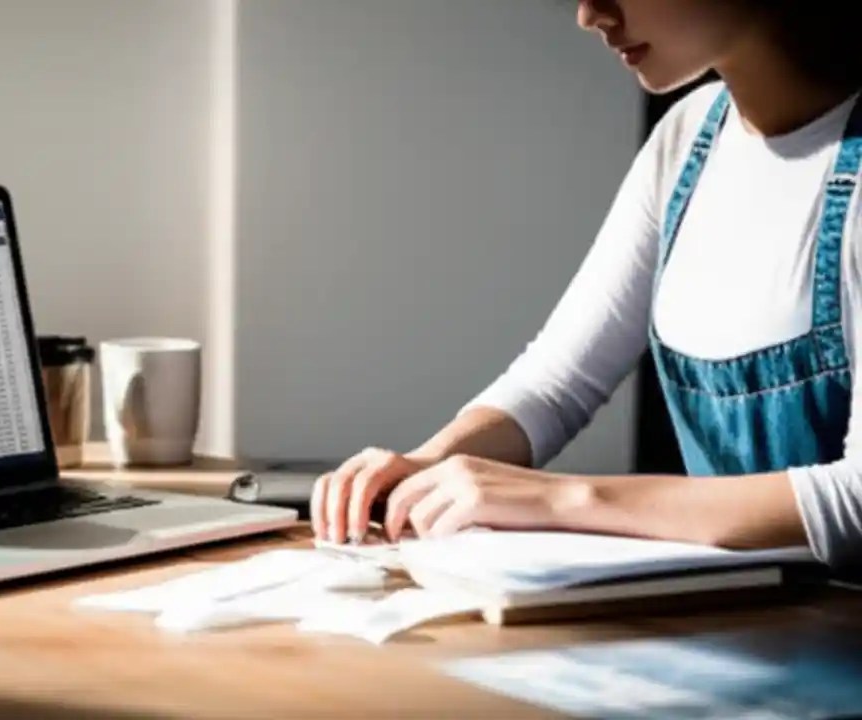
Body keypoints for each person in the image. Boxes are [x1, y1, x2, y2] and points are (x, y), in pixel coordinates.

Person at [312, 0, 862, 572]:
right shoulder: (688, 140)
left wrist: (563, 499)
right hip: (742, 622)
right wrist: (425, 469)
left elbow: (857, 502)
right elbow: (556, 386)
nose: (589, 14)